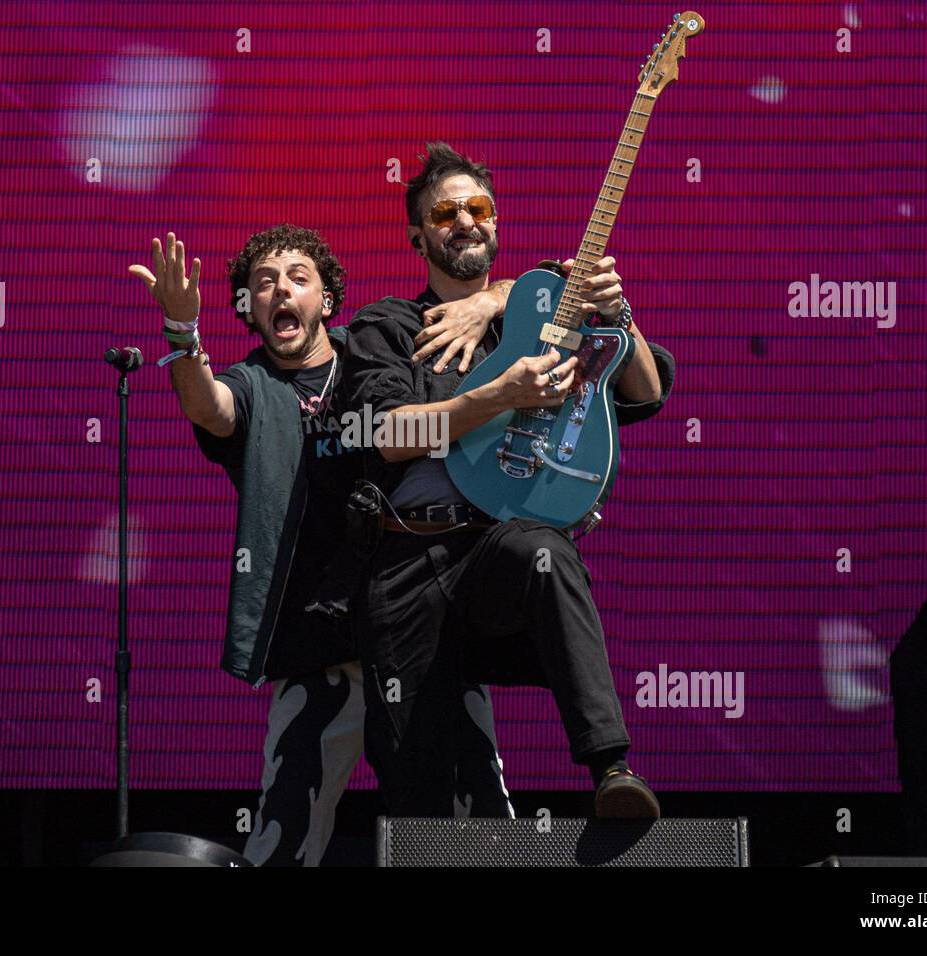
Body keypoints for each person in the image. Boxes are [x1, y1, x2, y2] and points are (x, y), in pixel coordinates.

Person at [129, 224, 514, 865]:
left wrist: (494, 295)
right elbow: (209, 408)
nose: (282, 290)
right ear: (248, 309)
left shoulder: (376, 356)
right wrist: (180, 332)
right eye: (264, 283)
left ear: (328, 300)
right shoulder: (252, 384)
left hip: (420, 631)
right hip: (319, 648)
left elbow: (502, 300)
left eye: (298, 278)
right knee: (279, 842)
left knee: (481, 836)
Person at [342, 143, 678, 818]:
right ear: (417, 236)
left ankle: (611, 768)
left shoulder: (541, 313)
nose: (465, 221)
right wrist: (496, 397)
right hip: (411, 561)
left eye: (479, 208)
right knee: (420, 798)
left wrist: (618, 315)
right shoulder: (387, 325)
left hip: (498, 551)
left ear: (497, 223)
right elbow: (385, 436)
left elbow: (646, 390)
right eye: (445, 212)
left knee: (546, 553)